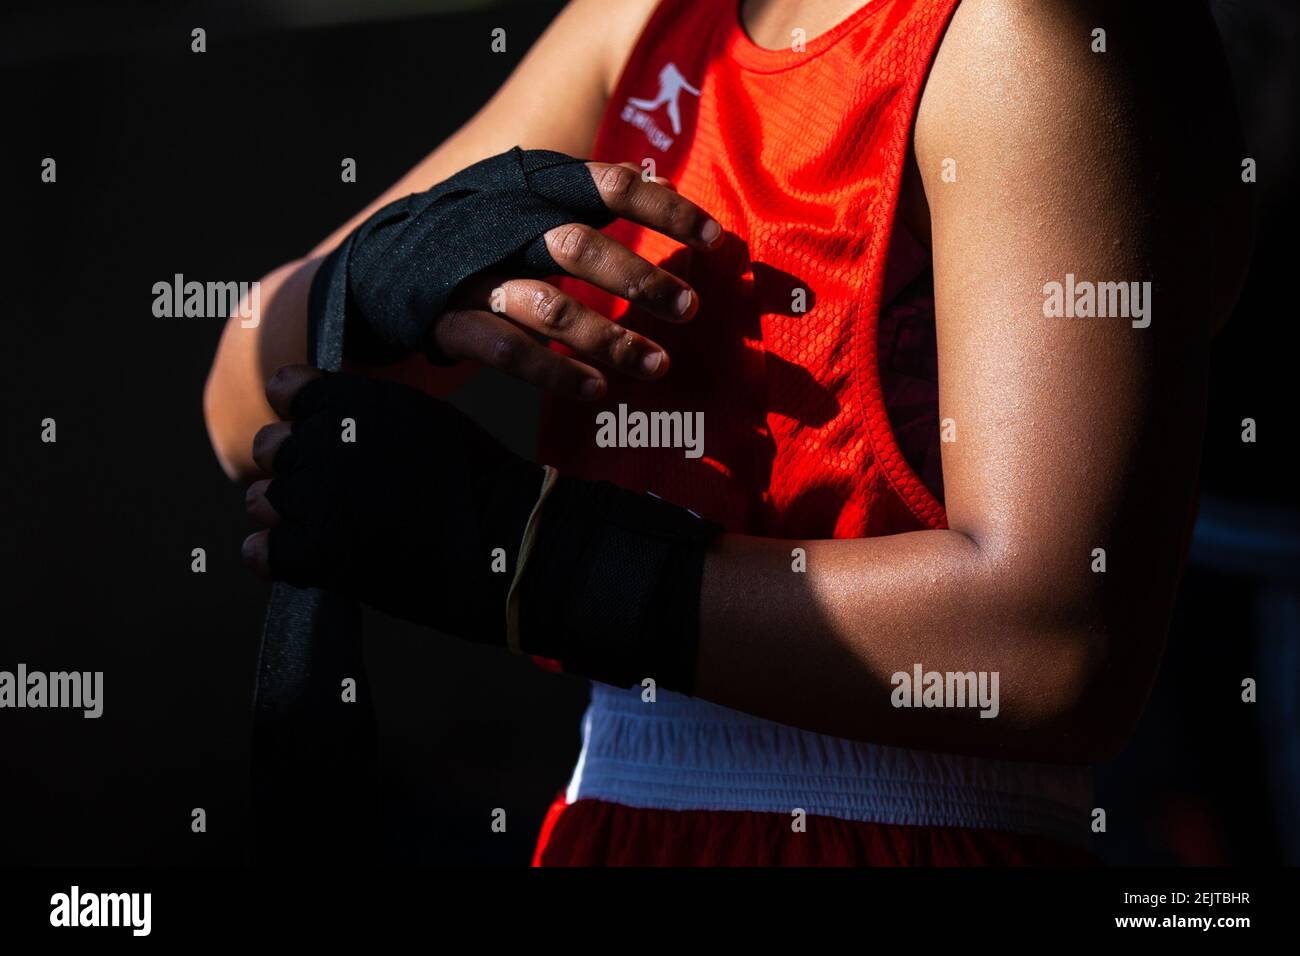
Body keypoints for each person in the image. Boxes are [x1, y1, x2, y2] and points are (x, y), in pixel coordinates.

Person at [204, 0, 1252, 865]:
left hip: (916, 838)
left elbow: (1052, 648)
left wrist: (539, 560)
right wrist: (383, 285)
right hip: (607, 819)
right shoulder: (648, 21)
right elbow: (245, 399)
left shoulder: (1029, 33)